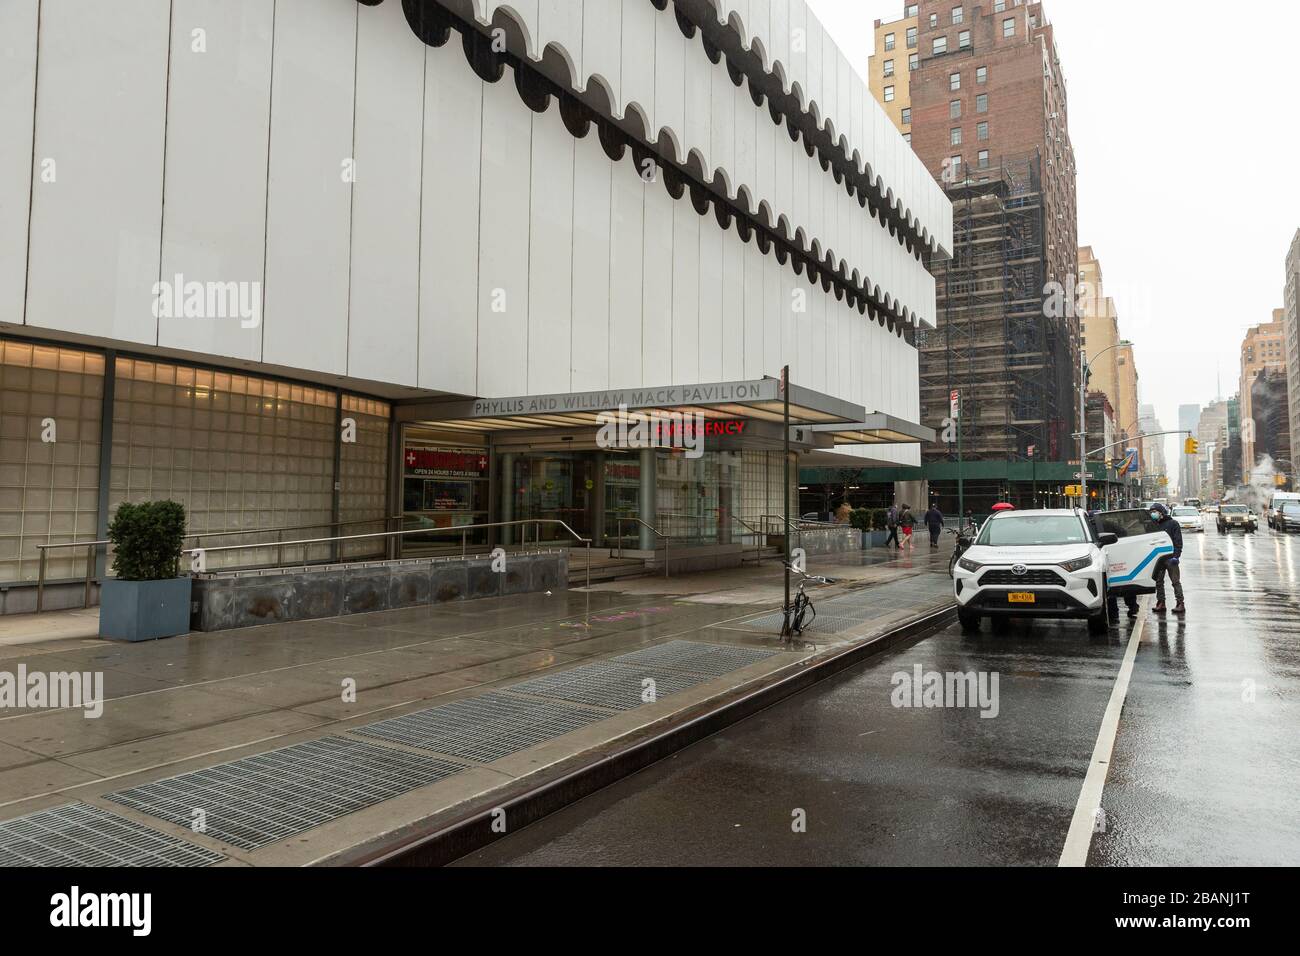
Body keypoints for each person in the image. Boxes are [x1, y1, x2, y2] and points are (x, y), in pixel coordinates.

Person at [1149, 502, 1185, 615]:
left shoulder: (1173, 523)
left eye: (1154, 512)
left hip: (1170, 558)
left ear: (1161, 513)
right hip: (1158, 558)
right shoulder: (1152, 525)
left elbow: (1178, 541)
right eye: (1151, 512)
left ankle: (1180, 603)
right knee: (1158, 581)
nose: (1152, 514)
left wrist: (1176, 556)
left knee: (1175, 581)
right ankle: (1161, 602)